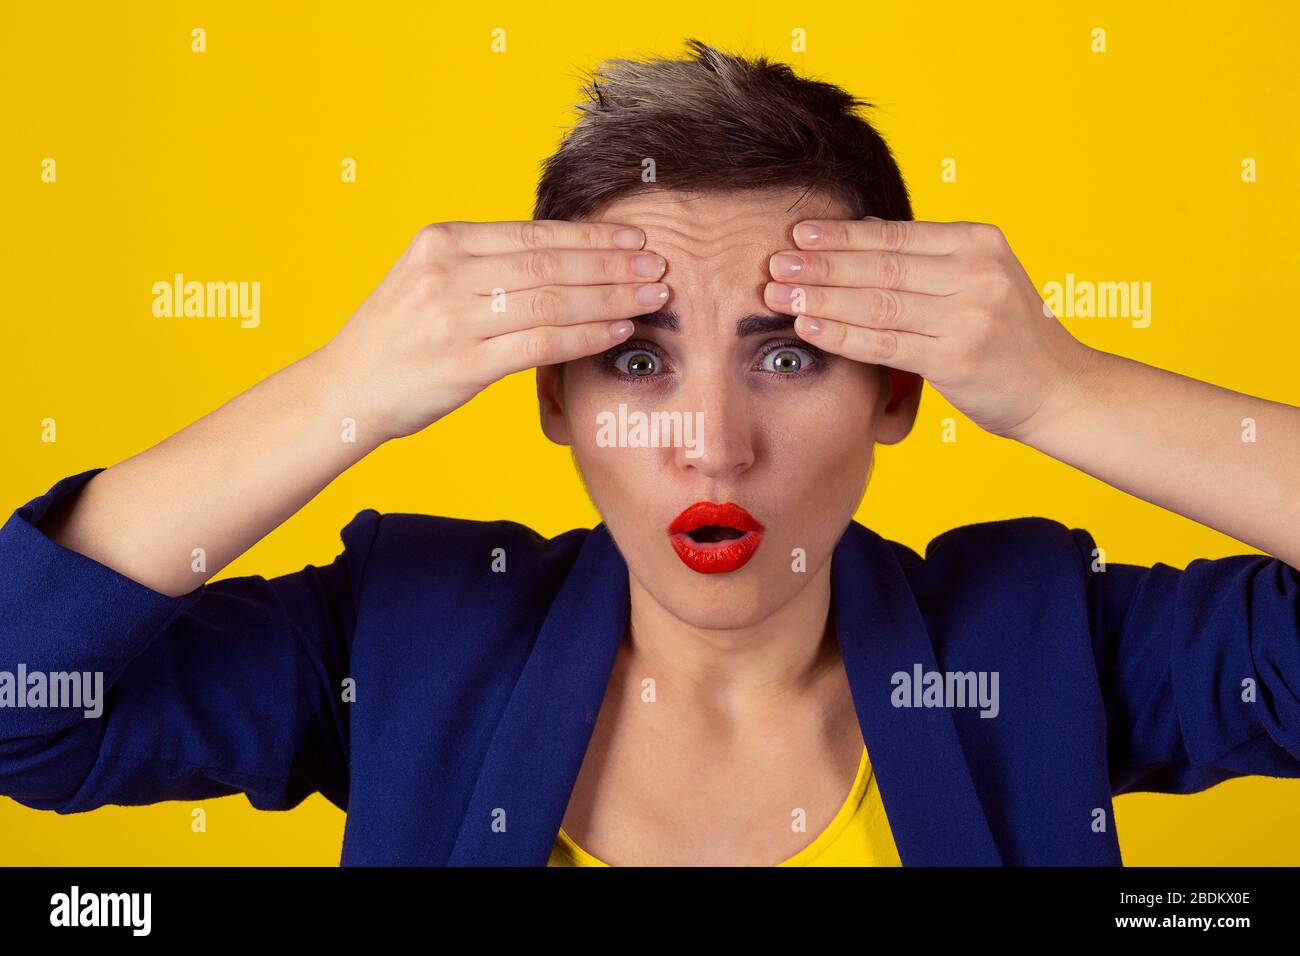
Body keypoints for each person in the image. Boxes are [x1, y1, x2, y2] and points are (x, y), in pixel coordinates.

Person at [0, 39, 1296, 867]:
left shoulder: (1041, 649)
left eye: (790, 357)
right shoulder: (400, 643)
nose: (713, 448)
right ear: (551, 397)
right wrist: (343, 390)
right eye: (636, 361)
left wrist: (1064, 389)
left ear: (898, 391)